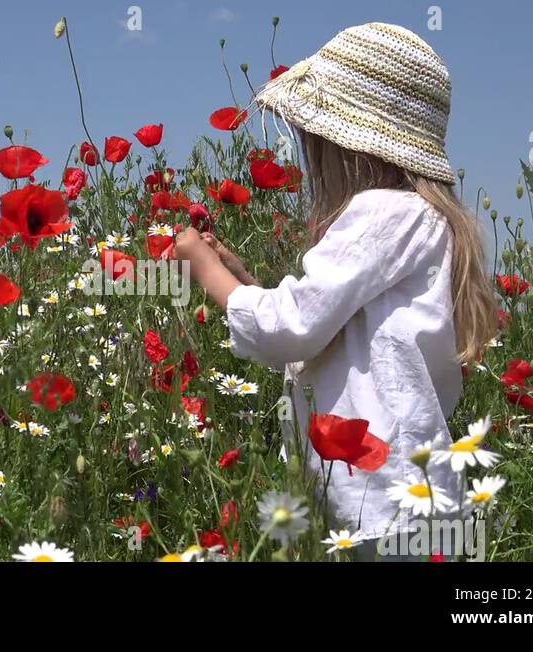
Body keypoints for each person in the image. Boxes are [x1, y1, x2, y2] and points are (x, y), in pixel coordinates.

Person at [173, 22, 498, 554]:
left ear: (350, 150)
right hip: (410, 497)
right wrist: (239, 274)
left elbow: (292, 328)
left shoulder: (381, 213)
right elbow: (328, 333)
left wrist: (204, 270)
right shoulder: (425, 221)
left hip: (377, 501)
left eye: (314, 144)